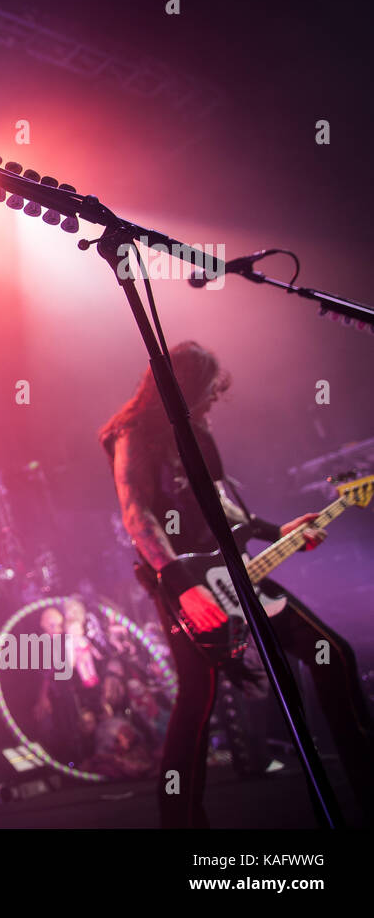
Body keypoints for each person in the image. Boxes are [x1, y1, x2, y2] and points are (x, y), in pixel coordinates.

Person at [100, 340, 374, 827]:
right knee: (197, 700)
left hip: (234, 569)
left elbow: (223, 504)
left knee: (333, 653)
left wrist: (276, 532)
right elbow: (136, 516)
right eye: (205, 392)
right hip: (181, 580)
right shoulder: (134, 434)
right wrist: (183, 584)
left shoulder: (197, 431)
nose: (212, 402)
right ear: (182, 389)